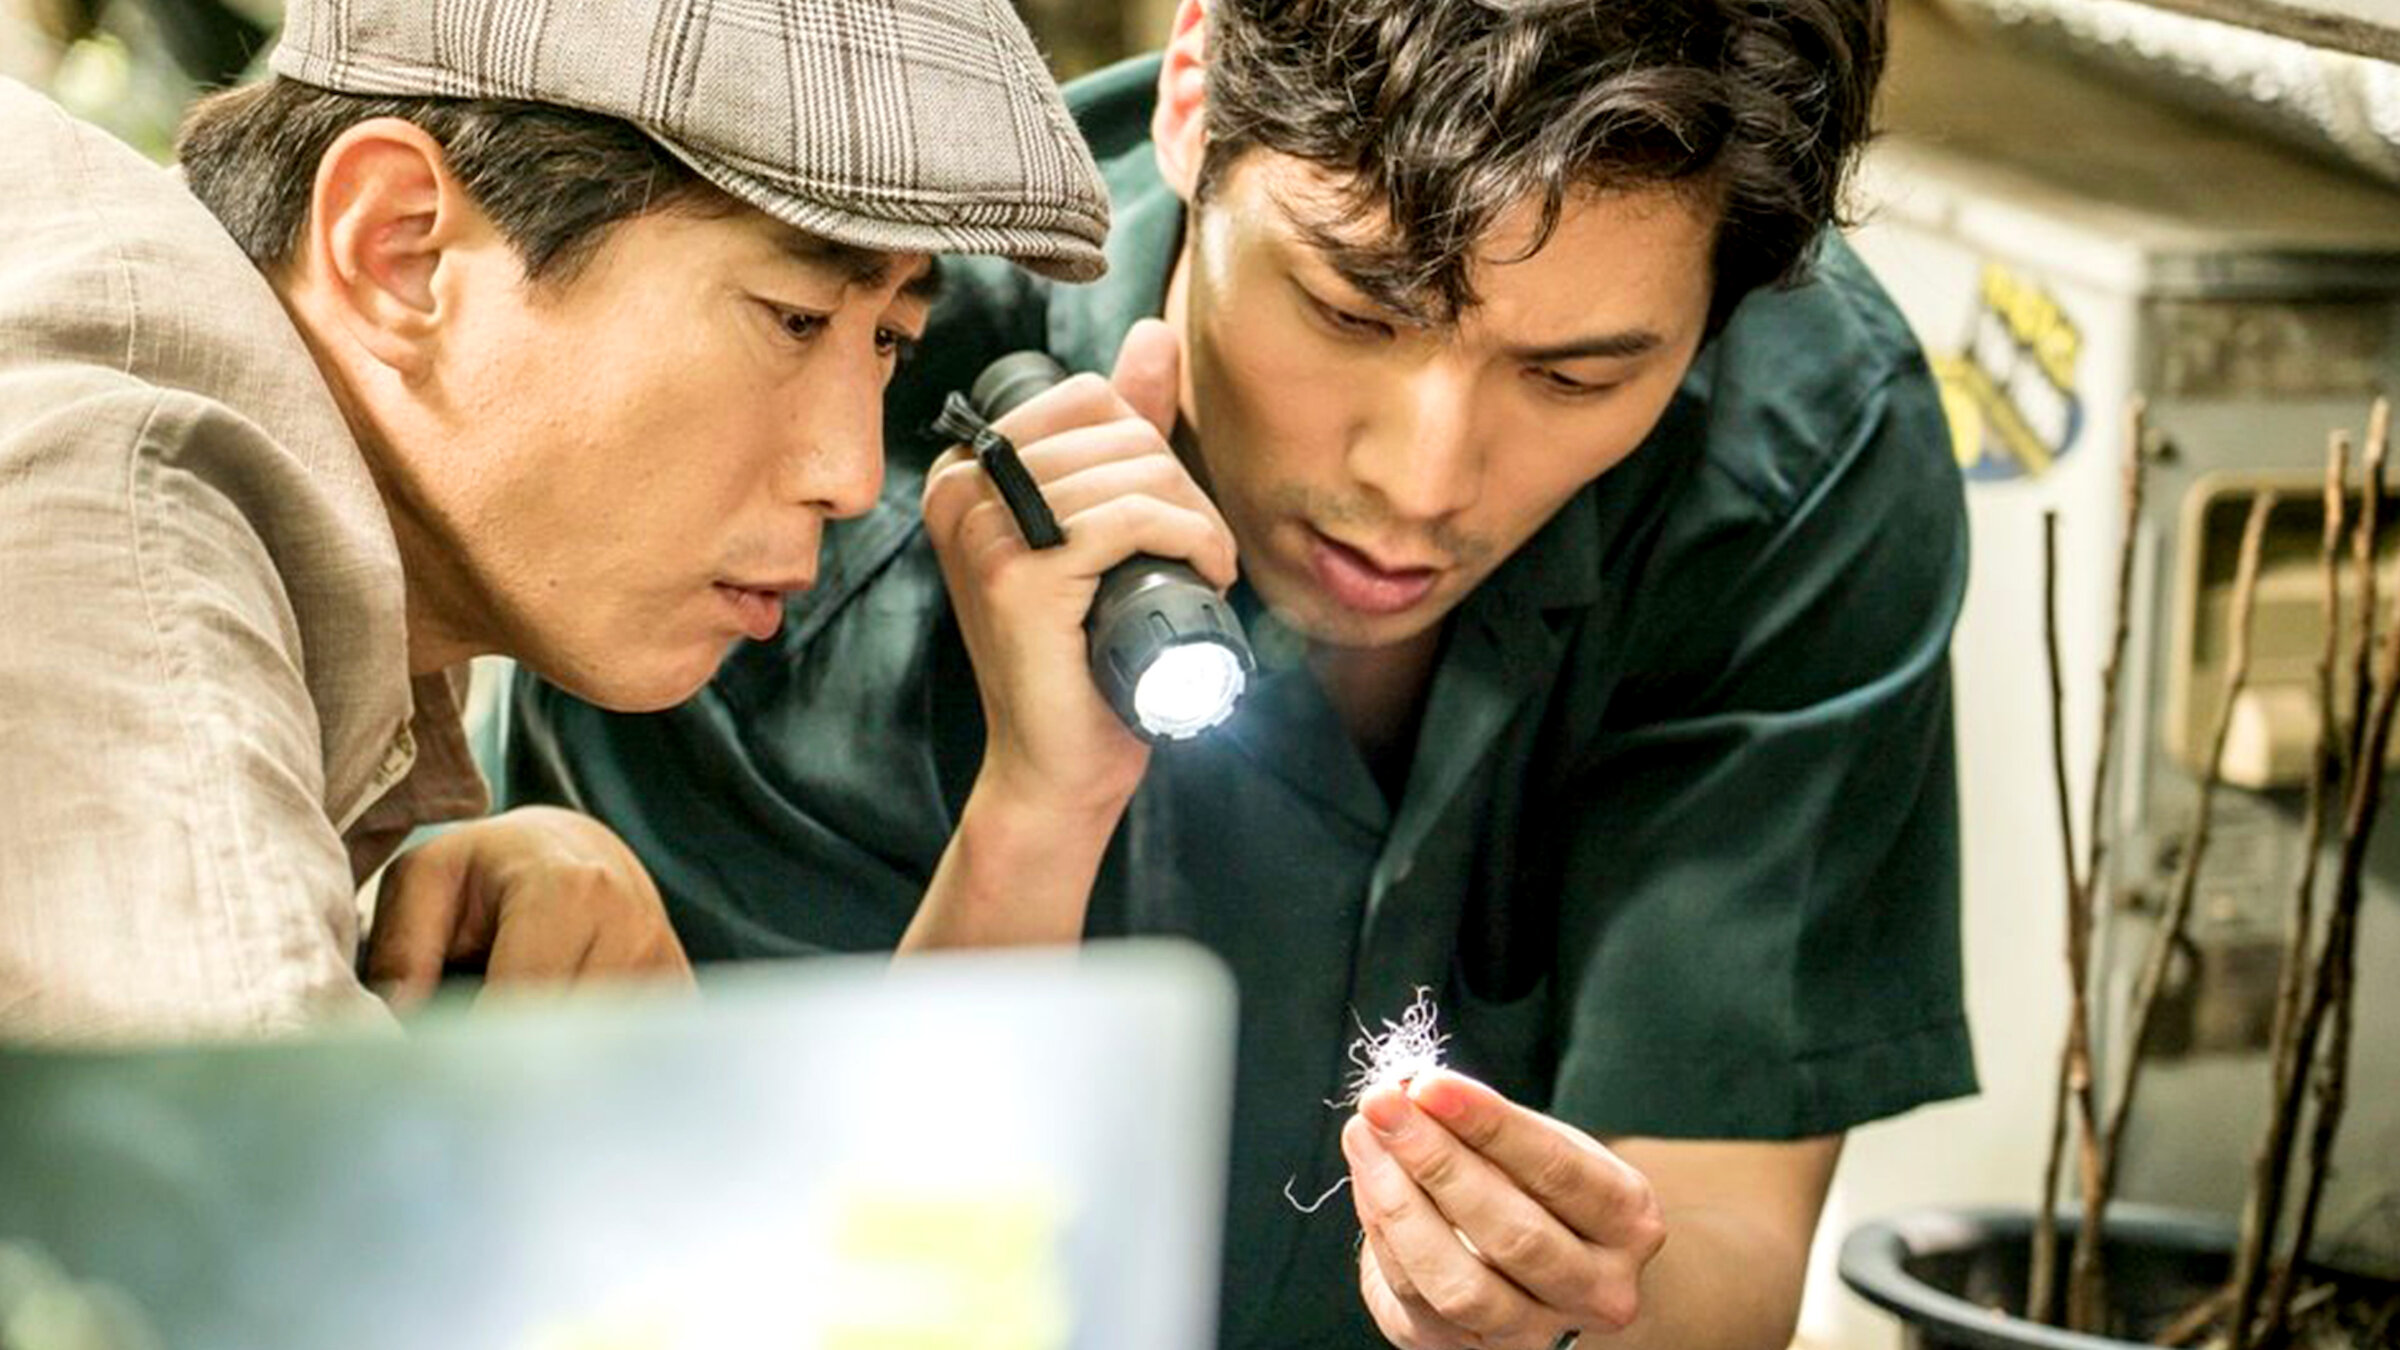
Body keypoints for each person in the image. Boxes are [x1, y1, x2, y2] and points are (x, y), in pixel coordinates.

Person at [512, 1, 1975, 1346]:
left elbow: (1718, 1231)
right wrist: (1035, 822)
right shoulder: (799, 455)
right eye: (1355, 311)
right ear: (1193, 93)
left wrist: (1558, 1310)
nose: (1421, 480)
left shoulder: (1796, 449)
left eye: (1574, 378)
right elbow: (760, 1293)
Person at [0, 0, 1110, 1040]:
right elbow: (252, 1182)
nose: (852, 476)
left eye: (887, 341)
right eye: (794, 319)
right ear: (401, 251)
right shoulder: (120, 525)